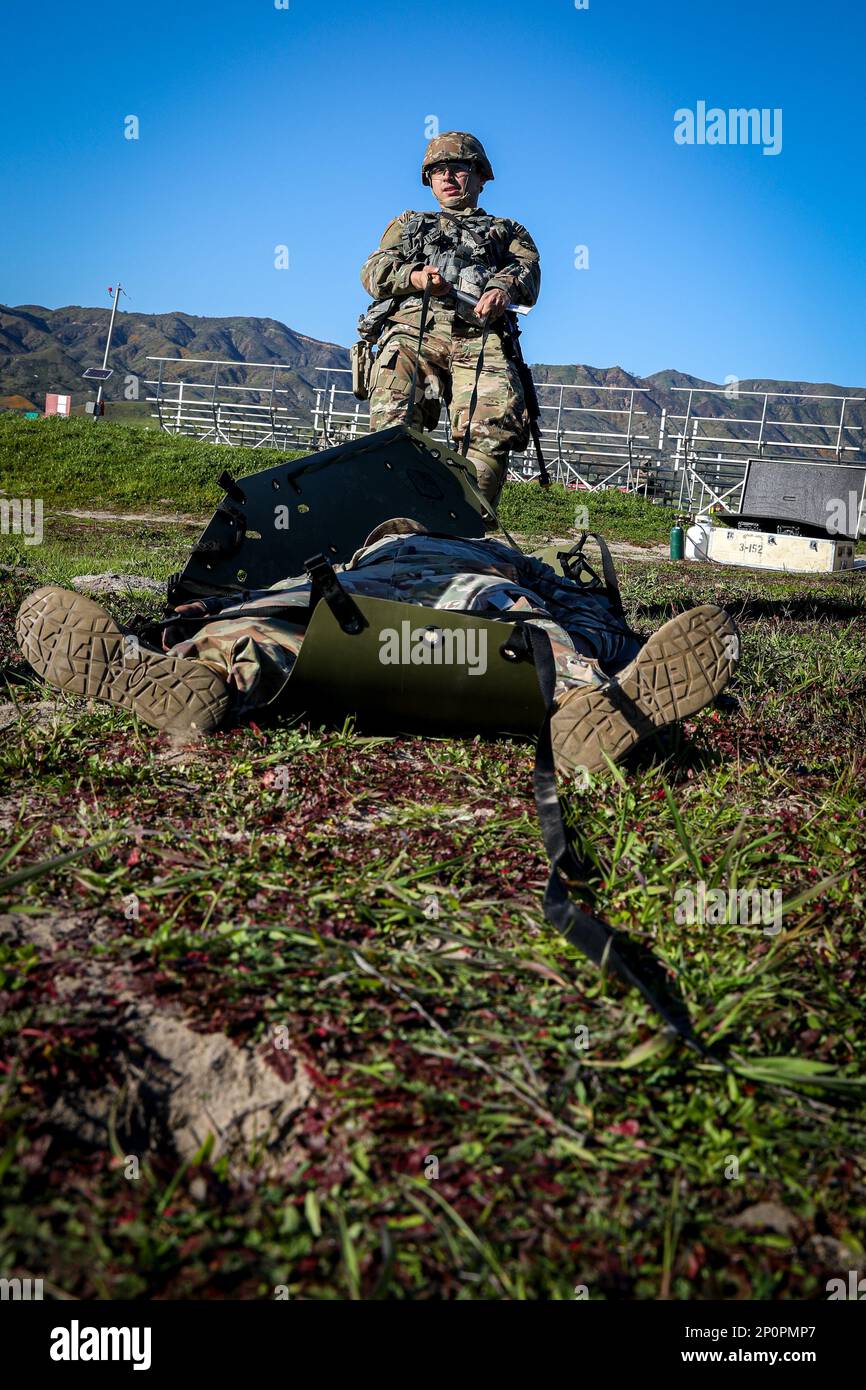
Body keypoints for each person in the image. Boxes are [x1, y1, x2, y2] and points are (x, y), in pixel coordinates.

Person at [15, 519, 738, 776]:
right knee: (523, 624)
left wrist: (194, 617)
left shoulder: (360, 557)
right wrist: (623, 645)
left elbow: (263, 596)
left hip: (350, 604)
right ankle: (581, 699)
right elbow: (574, 600)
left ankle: (199, 672)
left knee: (268, 621)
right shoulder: (488, 550)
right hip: (463, 594)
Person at [359, 132, 540, 508]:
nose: (447, 177)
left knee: (490, 427)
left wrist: (501, 290)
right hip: (413, 332)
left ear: (479, 177)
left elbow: (528, 270)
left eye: (457, 169)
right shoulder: (408, 225)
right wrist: (415, 277)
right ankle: (396, 519)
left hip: (481, 337)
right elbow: (374, 271)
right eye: (438, 171)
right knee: (394, 418)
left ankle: (466, 522)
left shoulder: (507, 231)